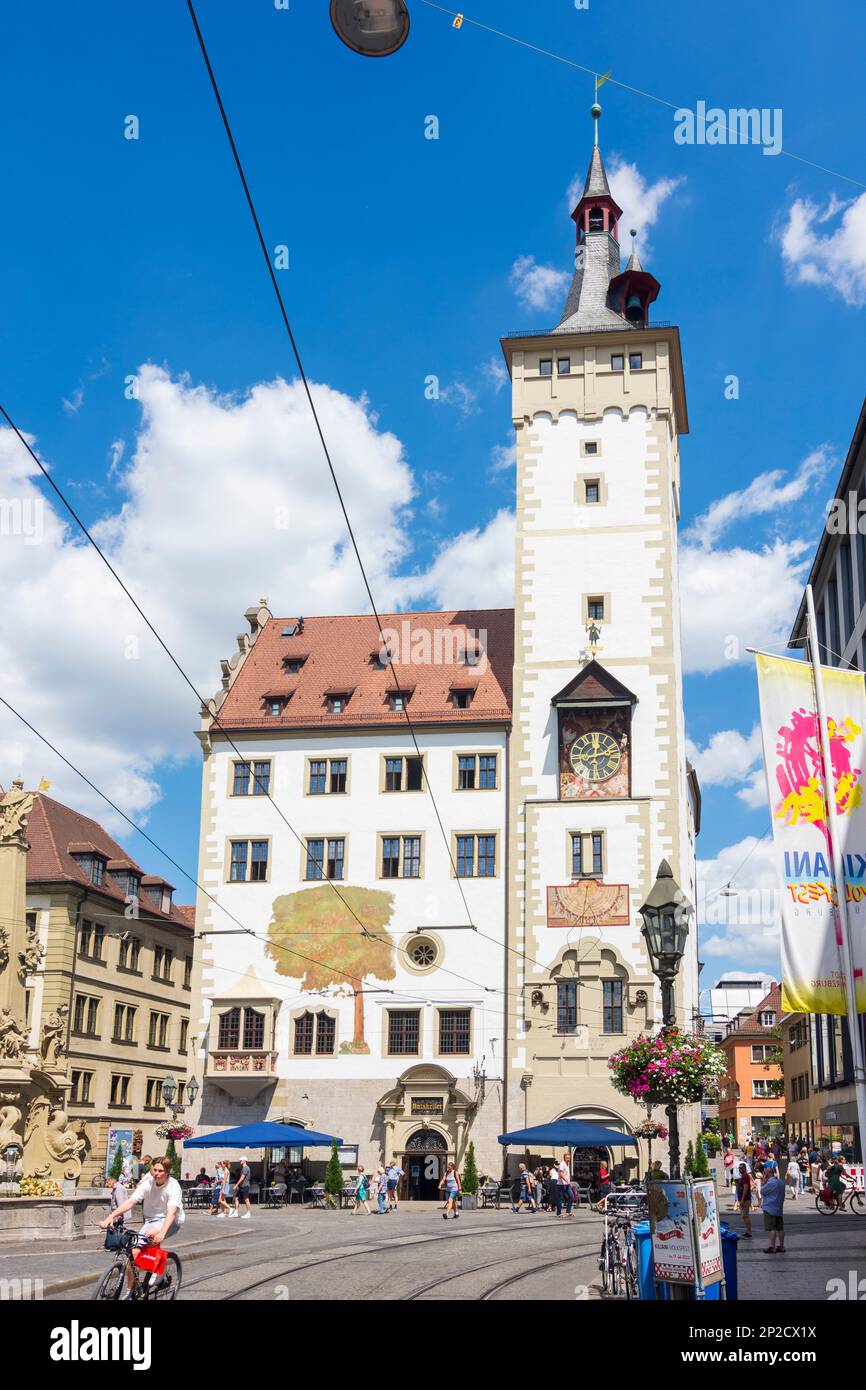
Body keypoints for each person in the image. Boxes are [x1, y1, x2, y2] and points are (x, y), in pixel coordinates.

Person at [99, 1155, 184, 1298]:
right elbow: (130, 1202)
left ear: (168, 1172)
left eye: (160, 1171)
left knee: (151, 1236)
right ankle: (130, 1292)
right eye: (154, 1169)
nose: (156, 1173)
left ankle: (160, 1272)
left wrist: (162, 1232)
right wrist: (110, 1217)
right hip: (151, 1220)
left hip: (171, 1221)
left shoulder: (173, 1186)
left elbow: (172, 1212)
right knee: (133, 1253)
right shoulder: (148, 1183)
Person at [761, 1162, 786, 1252]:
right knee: (780, 1228)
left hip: (770, 1208)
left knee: (772, 1228)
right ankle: (782, 1246)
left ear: (768, 1174)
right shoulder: (780, 1182)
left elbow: (762, 1191)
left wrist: (763, 1182)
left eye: (765, 1173)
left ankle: (772, 1247)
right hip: (779, 1207)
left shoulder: (770, 1183)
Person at [231, 1153, 252, 1219]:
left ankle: (248, 1213)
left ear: (245, 1161)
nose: (240, 1161)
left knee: (246, 1199)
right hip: (242, 1186)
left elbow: (242, 1178)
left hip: (245, 1186)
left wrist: (236, 1185)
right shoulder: (244, 1168)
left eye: (241, 1160)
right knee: (236, 1198)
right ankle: (236, 1212)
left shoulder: (245, 1168)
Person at [734, 1163, 753, 1237]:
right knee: (744, 1216)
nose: (740, 1169)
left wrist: (742, 1199)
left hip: (745, 1199)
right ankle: (748, 1231)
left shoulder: (745, 1176)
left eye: (741, 1168)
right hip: (744, 1199)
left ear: (745, 1168)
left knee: (745, 1216)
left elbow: (746, 1188)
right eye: (739, 1168)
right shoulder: (743, 1176)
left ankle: (749, 1232)